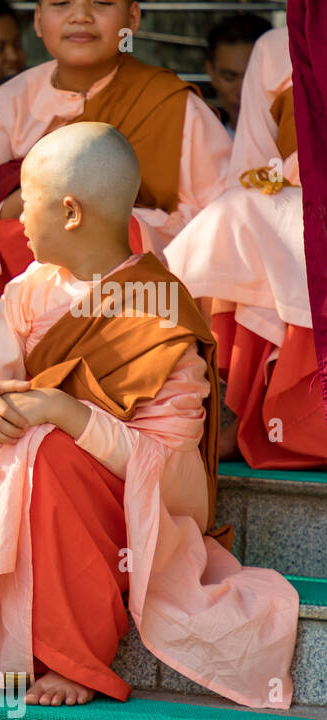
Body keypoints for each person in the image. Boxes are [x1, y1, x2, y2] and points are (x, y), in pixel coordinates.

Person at [0, 122, 298, 709]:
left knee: (51, 452)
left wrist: (63, 410)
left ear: (70, 212)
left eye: (26, 204)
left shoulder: (159, 312)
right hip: (38, 483)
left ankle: (74, 657)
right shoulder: (30, 291)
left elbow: (165, 467)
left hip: (128, 504)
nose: (18, 222)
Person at [0, 0, 231, 325]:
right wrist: (27, 205)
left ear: (132, 17)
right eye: (61, 3)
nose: (81, 16)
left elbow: (218, 223)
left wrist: (115, 227)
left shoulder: (175, 106)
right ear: (39, 21)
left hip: (135, 294)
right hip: (19, 281)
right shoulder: (10, 102)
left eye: (101, 3)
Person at [165, 26, 326, 469]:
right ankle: (238, 409)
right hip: (300, 205)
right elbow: (253, 169)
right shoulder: (276, 46)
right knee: (233, 214)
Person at [205, 13, 272, 134]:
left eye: (252, 78)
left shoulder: (297, 146)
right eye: (229, 77)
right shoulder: (196, 144)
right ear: (211, 72)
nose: (241, 91)